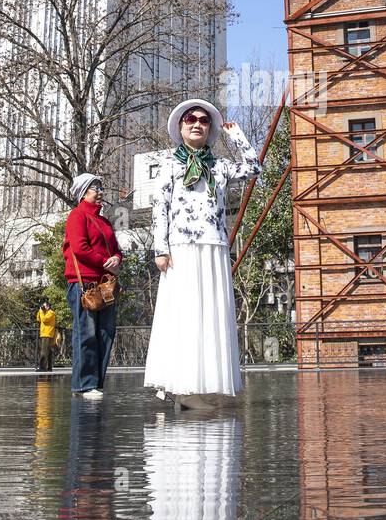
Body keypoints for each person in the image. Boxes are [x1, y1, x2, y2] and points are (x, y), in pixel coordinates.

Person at [144, 99, 260, 409]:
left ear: (210, 129)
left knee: (211, 316)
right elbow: (160, 208)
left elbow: (253, 168)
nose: (197, 123)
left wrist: (236, 136)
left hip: (214, 247)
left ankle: (205, 385)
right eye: (190, 119)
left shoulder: (219, 165)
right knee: (185, 315)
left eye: (204, 120)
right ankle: (182, 388)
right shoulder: (169, 164)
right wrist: (160, 249)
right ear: (180, 126)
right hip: (181, 248)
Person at [63, 173, 122, 399]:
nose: (100, 192)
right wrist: (105, 261)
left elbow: (116, 248)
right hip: (84, 283)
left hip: (105, 283)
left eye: (100, 188)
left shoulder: (104, 221)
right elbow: (80, 248)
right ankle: (84, 385)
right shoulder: (77, 216)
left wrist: (116, 258)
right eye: (95, 188)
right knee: (86, 333)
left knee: (106, 332)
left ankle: (96, 383)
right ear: (83, 192)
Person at [36, 301, 57, 372]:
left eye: (44, 306)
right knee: (48, 351)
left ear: (48, 306)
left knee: (44, 351)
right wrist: (40, 311)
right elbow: (38, 319)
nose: (43, 307)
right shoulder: (44, 313)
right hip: (45, 334)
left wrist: (41, 312)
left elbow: (44, 320)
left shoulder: (51, 313)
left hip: (47, 334)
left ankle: (42, 367)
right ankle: (49, 367)